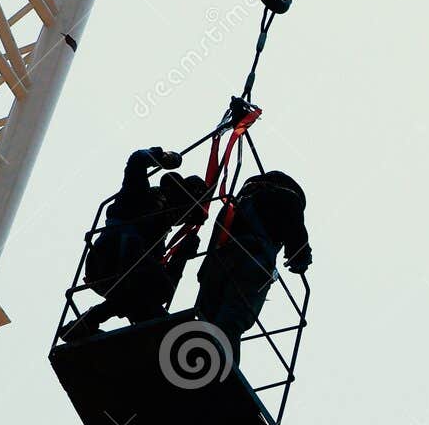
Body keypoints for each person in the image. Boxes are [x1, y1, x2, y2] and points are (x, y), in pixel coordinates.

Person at [62, 147, 208, 339]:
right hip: (107, 258)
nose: (182, 217)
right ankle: (95, 320)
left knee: (151, 295)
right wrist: (163, 157)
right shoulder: (138, 195)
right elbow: (137, 160)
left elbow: (164, 285)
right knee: (154, 284)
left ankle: (87, 323)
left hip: (125, 275)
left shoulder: (158, 241)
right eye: (185, 209)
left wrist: (182, 256)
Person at [194, 170, 311, 356]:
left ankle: (196, 359)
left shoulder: (235, 205)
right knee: (232, 321)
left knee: (206, 320)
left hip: (218, 265)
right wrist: (300, 256)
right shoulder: (285, 198)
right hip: (252, 262)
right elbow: (296, 232)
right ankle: (218, 371)